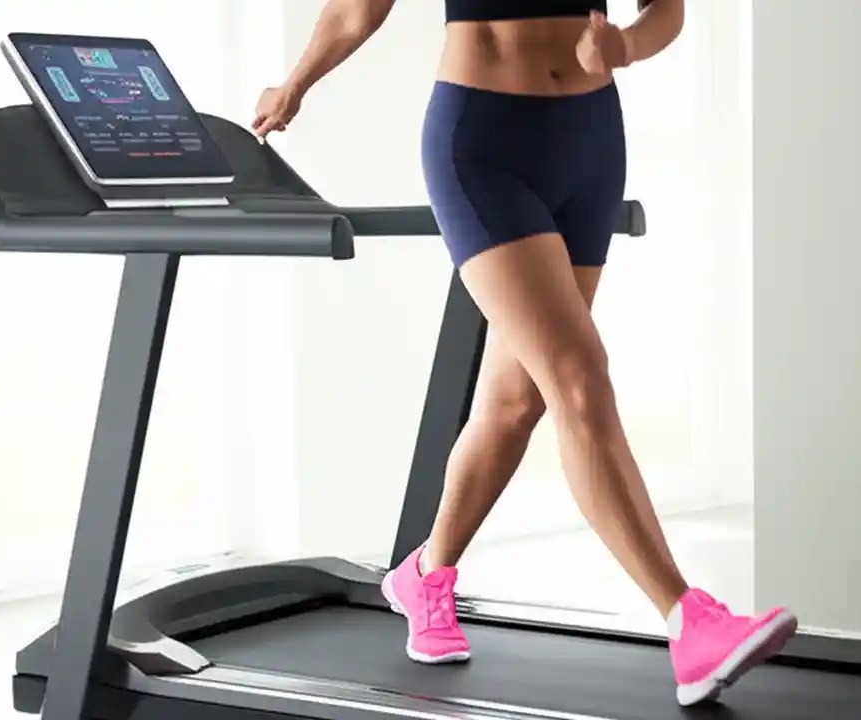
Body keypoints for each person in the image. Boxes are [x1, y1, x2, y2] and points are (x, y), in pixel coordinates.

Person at [253, 0, 796, 707]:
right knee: (578, 375)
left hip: (592, 140)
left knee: (520, 400)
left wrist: (625, 48)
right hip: (483, 140)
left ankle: (427, 574)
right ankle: (688, 620)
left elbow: (667, 11)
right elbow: (357, 10)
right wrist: (295, 85)